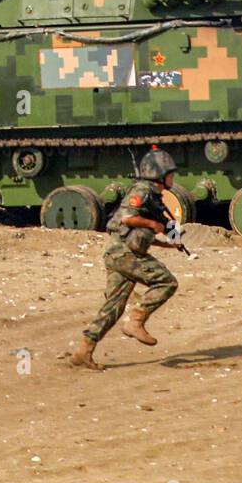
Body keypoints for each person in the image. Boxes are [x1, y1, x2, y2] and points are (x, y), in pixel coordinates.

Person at [69, 147, 181, 371]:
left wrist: (167, 242)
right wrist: (153, 225)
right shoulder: (142, 190)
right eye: (170, 173)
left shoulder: (153, 195)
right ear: (159, 174)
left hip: (118, 251)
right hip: (124, 253)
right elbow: (128, 219)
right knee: (167, 282)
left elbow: (139, 232)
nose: (173, 177)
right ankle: (137, 320)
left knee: (114, 306)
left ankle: (83, 350)